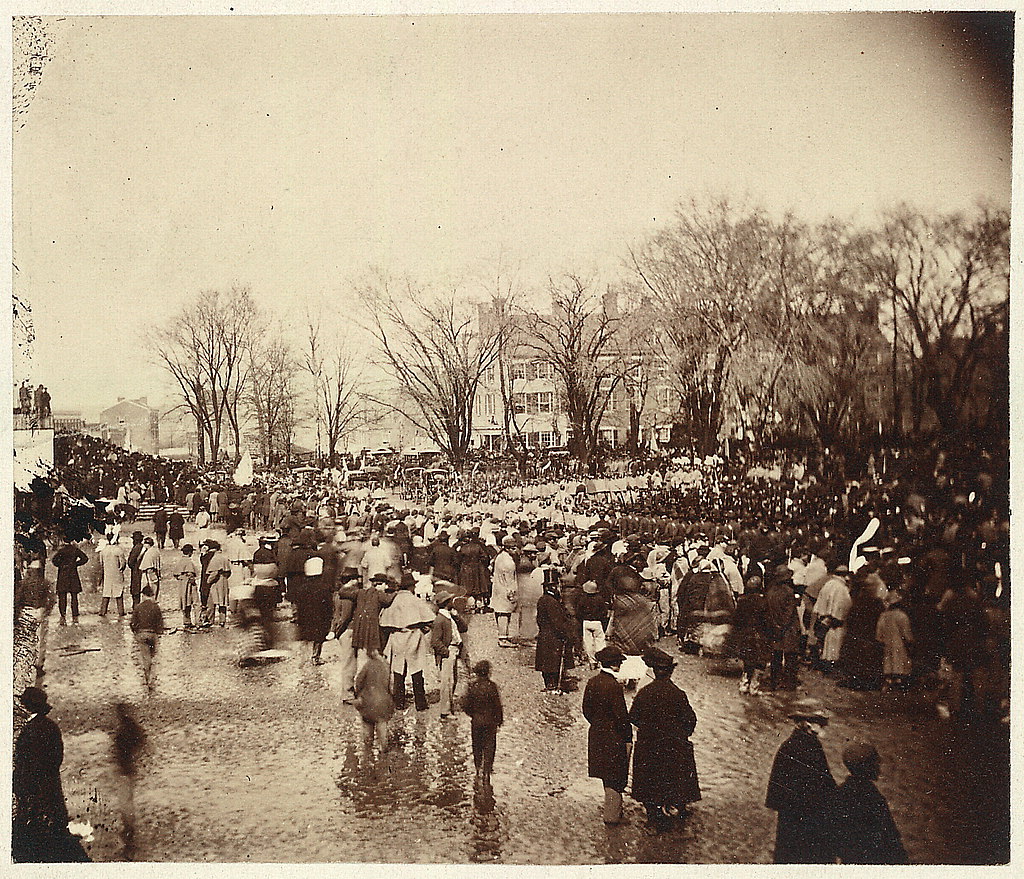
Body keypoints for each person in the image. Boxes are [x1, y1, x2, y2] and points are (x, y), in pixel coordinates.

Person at [13, 688, 90, 863]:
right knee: (53, 822)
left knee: (36, 829)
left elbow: (25, 763)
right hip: (50, 784)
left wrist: (20, 782)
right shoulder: (50, 726)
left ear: (27, 707)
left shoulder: (30, 730)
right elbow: (57, 757)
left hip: (32, 788)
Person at [628, 647, 700, 829]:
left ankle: (654, 817)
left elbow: (633, 717)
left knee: (650, 782)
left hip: (649, 746)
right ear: (670, 672)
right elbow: (691, 720)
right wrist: (682, 734)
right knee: (675, 779)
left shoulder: (644, 693)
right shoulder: (678, 693)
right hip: (674, 746)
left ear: (653, 670)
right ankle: (678, 814)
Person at [765, 697, 837, 863]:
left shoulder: (790, 745)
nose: (824, 726)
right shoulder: (808, 748)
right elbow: (823, 785)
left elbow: (775, 796)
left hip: (791, 821)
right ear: (807, 723)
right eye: (820, 722)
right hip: (807, 823)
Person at [834, 742, 909, 864]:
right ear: (866, 767)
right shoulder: (873, 798)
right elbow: (890, 838)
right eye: (875, 763)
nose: (879, 767)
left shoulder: (841, 792)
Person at [582, 645, 633, 826]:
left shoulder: (592, 682)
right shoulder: (614, 686)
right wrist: (628, 738)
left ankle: (612, 811)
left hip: (596, 735)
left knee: (605, 774)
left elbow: (586, 710)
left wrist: (598, 724)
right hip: (614, 737)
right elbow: (621, 716)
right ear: (614, 665)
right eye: (619, 662)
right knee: (616, 777)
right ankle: (612, 816)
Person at [378, 574, 436, 712]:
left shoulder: (393, 600)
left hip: (397, 636)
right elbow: (429, 618)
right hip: (413, 635)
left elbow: (383, 622)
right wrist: (424, 628)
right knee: (416, 670)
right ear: (410, 586)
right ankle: (420, 703)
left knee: (399, 671)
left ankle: (399, 702)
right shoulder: (414, 600)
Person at [462, 660, 503, 783]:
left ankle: (478, 768)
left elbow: (466, 705)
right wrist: (499, 720)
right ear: (488, 673)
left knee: (477, 745)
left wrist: (473, 715)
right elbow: (497, 705)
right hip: (490, 722)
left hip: (477, 721)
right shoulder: (492, 686)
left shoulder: (472, 686)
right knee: (490, 746)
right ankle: (487, 771)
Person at [534, 570, 575, 692]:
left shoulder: (543, 599)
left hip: (545, 635)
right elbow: (558, 623)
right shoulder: (552, 602)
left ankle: (550, 685)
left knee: (547, 663)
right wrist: (566, 634)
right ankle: (553, 685)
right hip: (554, 637)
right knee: (553, 663)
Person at [430, 590, 466, 717]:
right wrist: (446, 652)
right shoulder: (440, 620)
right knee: (447, 682)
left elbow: (464, 627)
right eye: (450, 600)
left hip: (454, 650)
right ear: (446, 603)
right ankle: (445, 711)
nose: (453, 602)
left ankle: (449, 706)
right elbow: (434, 641)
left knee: (453, 680)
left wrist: (456, 616)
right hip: (448, 652)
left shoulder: (449, 616)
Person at [353, 649, 395, 751]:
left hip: (368, 702)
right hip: (384, 702)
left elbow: (358, 682)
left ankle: (368, 749)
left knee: (367, 725)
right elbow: (392, 686)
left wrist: (358, 695)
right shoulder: (386, 666)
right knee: (382, 725)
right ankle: (383, 748)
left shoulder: (368, 665)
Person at [876, 590, 913, 692]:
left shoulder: (883, 616)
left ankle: (889, 681)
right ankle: (899, 682)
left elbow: (879, 634)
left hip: (887, 644)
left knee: (889, 663)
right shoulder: (902, 616)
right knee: (900, 663)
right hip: (900, 645)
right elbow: (907, 634)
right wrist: (910, 642)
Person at [130, 585, 164, 691]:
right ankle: (152, 678)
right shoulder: (155, 607)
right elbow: (160, 624)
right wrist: (159, 633)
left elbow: (132, 623)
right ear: (152, 595)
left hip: (141, 634)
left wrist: (136, 633)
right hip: (152, 634)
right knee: (153, 655)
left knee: (145, 657)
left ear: (143, 595)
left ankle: (147, 677)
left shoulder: (138, 607)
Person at [51, 537, 87, 625]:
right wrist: (76, 564)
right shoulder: (75, 549)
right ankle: (75, 617)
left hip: (63, 575)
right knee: (74, 597)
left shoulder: (61, 551)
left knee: (62, 597)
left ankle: (63, 617)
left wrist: (61, 565)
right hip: (73, 574)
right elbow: (85, 558)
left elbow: (54, 561)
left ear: (63, 541)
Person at [490, 536, 518, 646]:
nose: (515, 550)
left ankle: (503, 635)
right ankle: (503, 637)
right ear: (507, 548)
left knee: (500, 612)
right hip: (505, 589)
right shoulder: (508, 562)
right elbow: (509, 579)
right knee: (504, 613)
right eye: (513, 548)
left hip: (498, 588)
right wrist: (511, 592)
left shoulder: (500, 557)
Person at [577, 578, 609, 669]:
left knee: (588, 643)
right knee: (600, 642)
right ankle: (601, 661)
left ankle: (592, 662)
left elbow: (578, 612)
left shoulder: (582, 599)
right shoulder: (599, 599)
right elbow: (604, 612)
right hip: (597, 622)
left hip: (586, 622)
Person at [97, 532, 127, 617]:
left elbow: (101, 564)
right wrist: (121, 570)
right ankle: (121, 611)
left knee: (106, 593)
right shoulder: (118, 550)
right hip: (116, 574)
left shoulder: (103, 551)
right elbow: (123, 564)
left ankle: (103, 611)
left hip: (107, 574)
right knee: (119, 593)